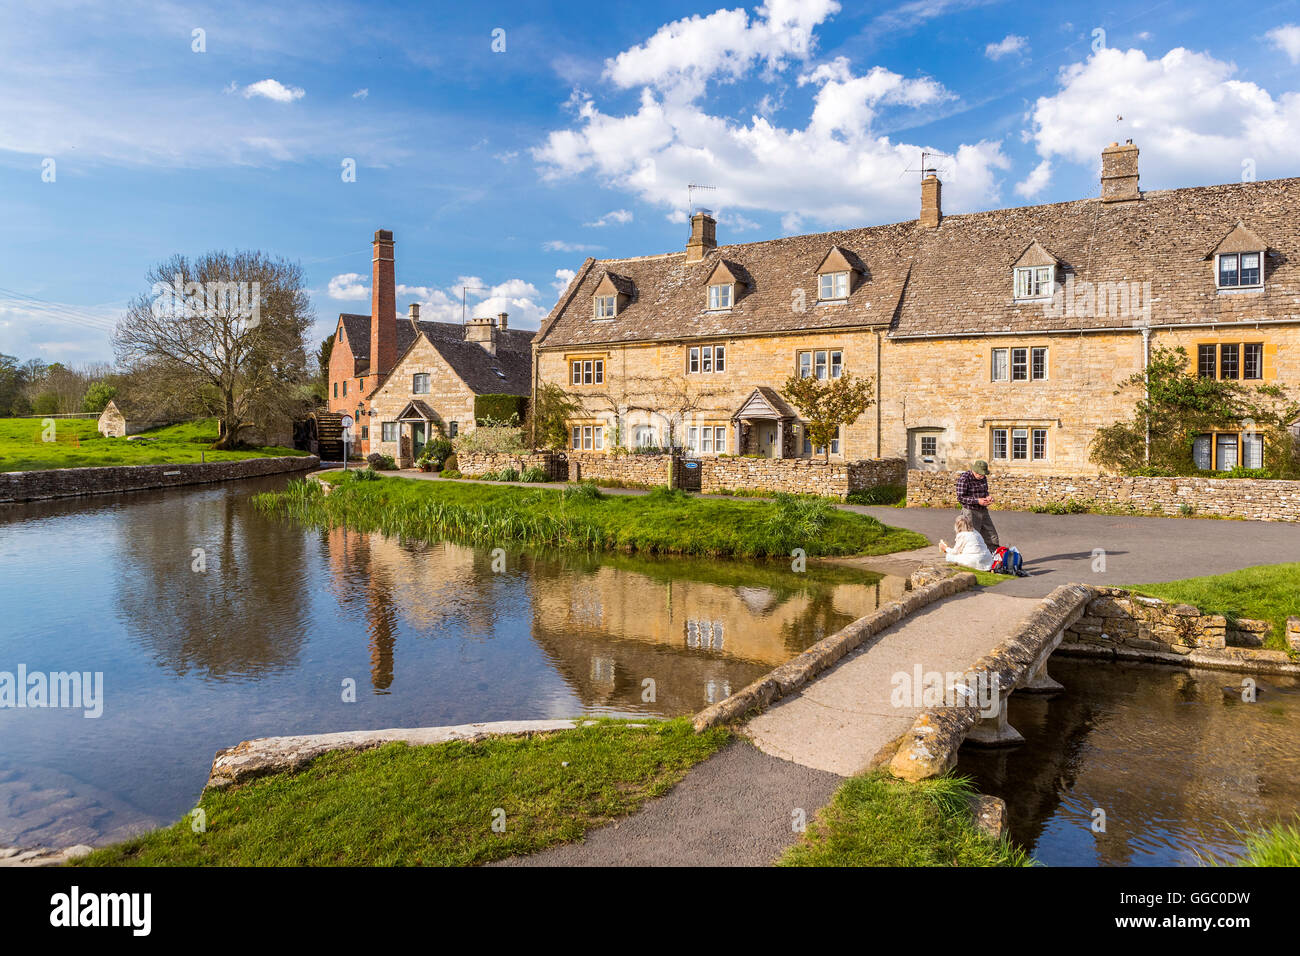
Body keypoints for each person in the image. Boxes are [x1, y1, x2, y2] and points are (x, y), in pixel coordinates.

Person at [955, 459, 999, 550]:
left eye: (983, 474)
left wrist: (988, 497)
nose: (982, 476)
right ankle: (968, 558)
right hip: (970, 511)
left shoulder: (983, 478)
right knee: (971, 537)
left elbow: (985, 491)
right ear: (974, 470)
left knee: (992, 535)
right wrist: (977, 501)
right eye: (980, 474)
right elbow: (960, 497)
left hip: (983, 510)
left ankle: (993, 557)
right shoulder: (964, 478)